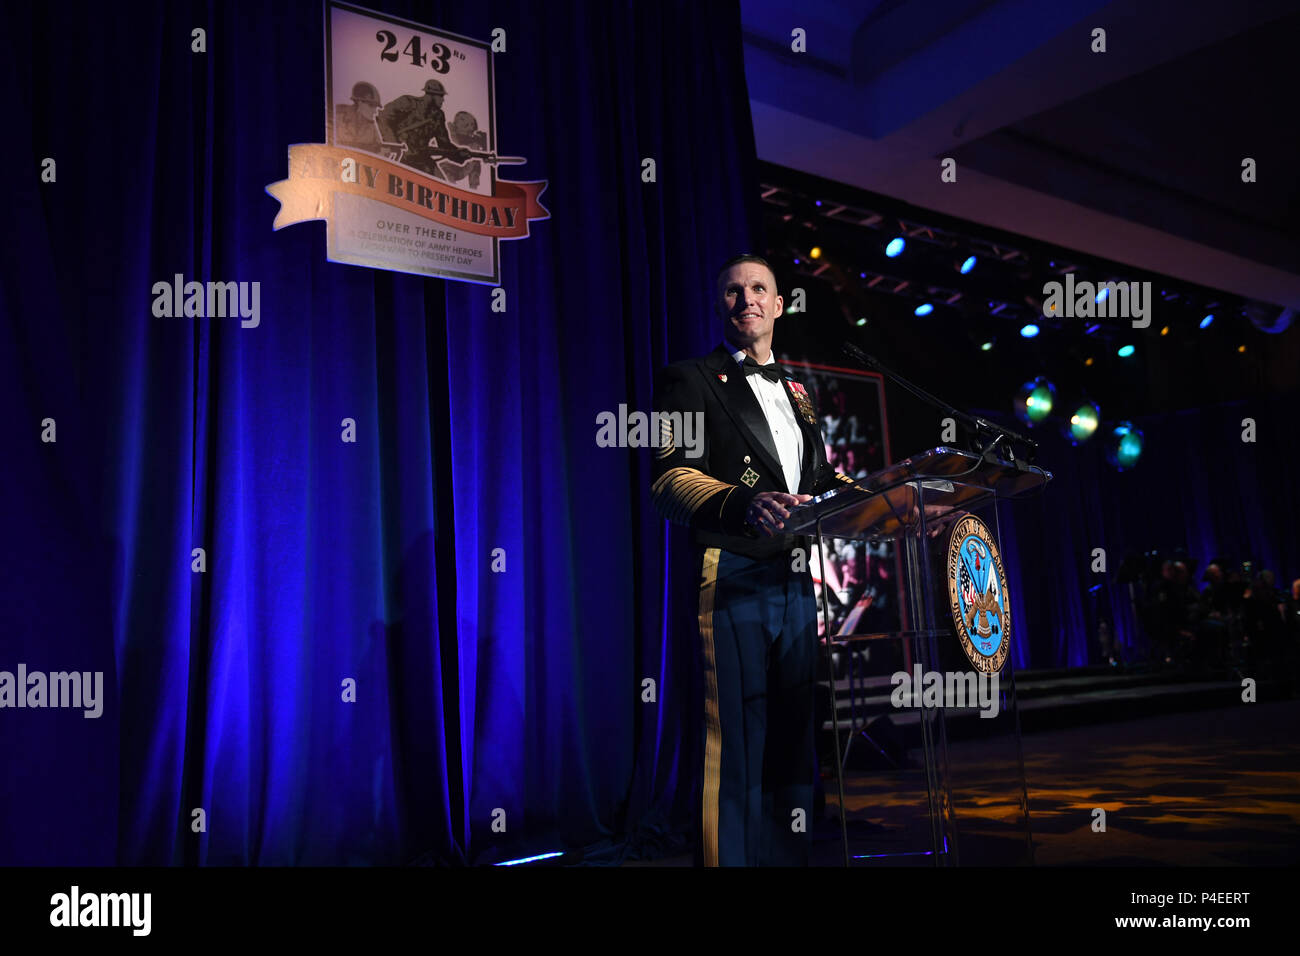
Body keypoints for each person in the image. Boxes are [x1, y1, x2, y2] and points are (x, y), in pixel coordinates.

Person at [649, 254, 862, 866]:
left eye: (759, 288)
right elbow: (668, 479)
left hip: (796, 581)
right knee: (736, 739)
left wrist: (885, 503)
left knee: (796, 738)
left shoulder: (798, 394)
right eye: (733, 291)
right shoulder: (688, 379)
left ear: (779, 305)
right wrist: (743, 503)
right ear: (722, 306)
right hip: (733, 574)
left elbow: (820, 479)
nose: (746, 297)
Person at [376, 78, 471, 178]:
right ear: (431, 95)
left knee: (441, 183)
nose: (443, 100)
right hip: (401, 157)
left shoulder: (438, 116)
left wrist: (459, 154)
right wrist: (395, 145)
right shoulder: (408, 102)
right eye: (441, 96)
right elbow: (383, 117)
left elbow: (444, 145)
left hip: (422, 157)